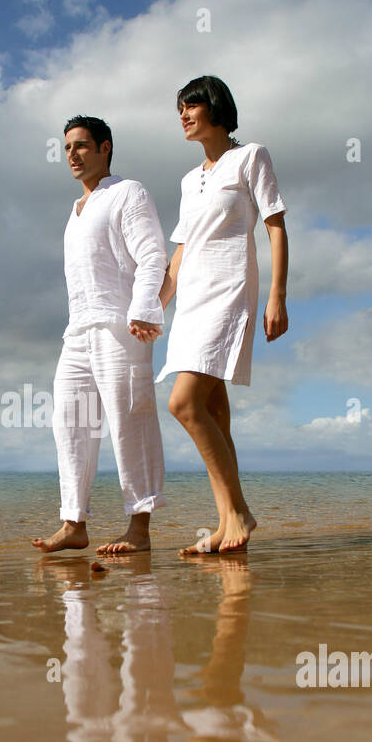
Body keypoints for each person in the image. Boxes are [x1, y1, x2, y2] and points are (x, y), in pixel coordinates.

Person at [156, 76, 289, 554]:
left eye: (191, 107)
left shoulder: (251, 156)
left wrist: (278, 295)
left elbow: (275, 226)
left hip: (230, 291)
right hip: (191, 299)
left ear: (215, 108)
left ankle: (239, 514)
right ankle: (227, 521)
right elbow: (182, 247)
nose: (184, 117)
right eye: (180, 111)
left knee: (183, 403)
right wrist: (158, 302)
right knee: (214, 413)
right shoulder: (190, 180)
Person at [33, 116, 167, 555]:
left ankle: (139, 528)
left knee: (130, 418)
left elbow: (152, 255)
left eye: (82, 146)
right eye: (67, 147)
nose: (72, 154)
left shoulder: (129, 192)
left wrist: (145, 307)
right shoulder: (74, 212)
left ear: (105, 148)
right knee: (69, 422)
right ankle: (74, 523)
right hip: (78, 330)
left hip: (120, 324)